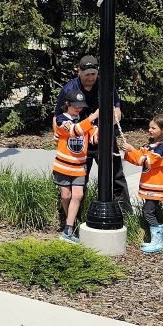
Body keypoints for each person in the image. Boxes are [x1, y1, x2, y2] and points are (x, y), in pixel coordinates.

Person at [54, 55, 131, 217]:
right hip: (79, 141)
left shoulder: (106, 85)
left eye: (93, 74)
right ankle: (71, 219)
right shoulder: (69, 89)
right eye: (87, 74)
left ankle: (124, 216)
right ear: (79, 71)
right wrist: (59, 133)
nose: (91, 78)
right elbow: (57, 117)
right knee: (78, 180)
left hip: (103, 137)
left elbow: (117, 111)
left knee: (115, 175)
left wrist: (101, 129)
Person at [52, 88, 99, 243]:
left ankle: (68, 229)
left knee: (78, 195)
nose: (79, 108)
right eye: (75, 105)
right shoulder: (61, 120)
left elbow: (92, 137)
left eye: (81, 105)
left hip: (79, 166)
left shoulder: (83, 119)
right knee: (66, 196)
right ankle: (69, 222)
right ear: (67, 104)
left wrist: (98, 132)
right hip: (63, 166)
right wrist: (93, 117)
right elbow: (74, 131)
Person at [122, 114, 163, 254]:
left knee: (148, 212)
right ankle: (156, 239)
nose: (150, 130)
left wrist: (133, 150)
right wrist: (128, 152)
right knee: (149, 211)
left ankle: (158, 241)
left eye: (153, 128)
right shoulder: (150, 145)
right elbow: (138, 160)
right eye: (149, 127)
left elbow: (149, 160)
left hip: (156, 187)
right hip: (148, 185)